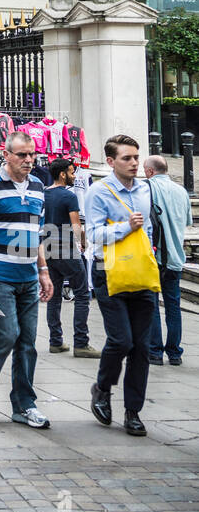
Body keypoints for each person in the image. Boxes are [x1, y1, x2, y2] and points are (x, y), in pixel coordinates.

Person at [0, 131, 53, 429]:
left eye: (32, 154)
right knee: (6, 334)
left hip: (28, 275)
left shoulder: (39, 186)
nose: (29, 160)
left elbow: (37, 232)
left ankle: (24, 405)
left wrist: (43, 271)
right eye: (22, 155)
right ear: (6, 155)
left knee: (28, 342)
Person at [86, 134, 156, 437]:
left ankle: (133, 412)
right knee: (122, 340)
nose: (134, 163)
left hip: (140, 271)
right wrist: (127, 227)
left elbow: (149, 228)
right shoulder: (98, 192)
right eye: (127, 158)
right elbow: (94, 234)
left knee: (142, 346)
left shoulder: (144, 189)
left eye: (136, 157)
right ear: (111, 162)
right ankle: (102, 388)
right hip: (109, 270)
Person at [43, 158, 99, 359]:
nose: (74, 176)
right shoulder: (69, 196)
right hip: (66, 248)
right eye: (72, 172)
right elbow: (76, 225)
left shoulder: (43, 193)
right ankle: (81, 343)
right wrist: (83, 243)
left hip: (47, 248)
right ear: (62, 174)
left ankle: (55, 341)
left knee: (54, 295)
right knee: (82, 294)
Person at [144, 154, 191, 367]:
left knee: (152, 304)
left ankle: (154, 351)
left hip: (154, 256)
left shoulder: (147, 188)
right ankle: (174, 352)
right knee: (173, 304)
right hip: (176, 257)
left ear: (150, 171)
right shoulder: (181, 191)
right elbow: (188, 221)